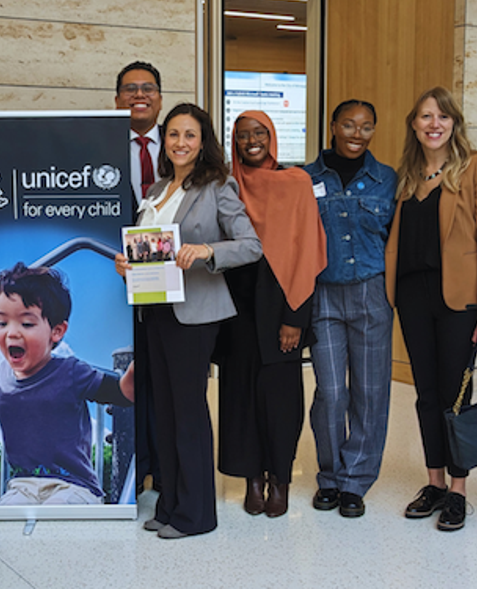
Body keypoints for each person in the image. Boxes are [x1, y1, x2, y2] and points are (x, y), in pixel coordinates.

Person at [114, 103, 261, 538]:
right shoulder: (158, 188)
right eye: (174, 134)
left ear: (203, 142)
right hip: (153, 309)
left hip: (194, 314)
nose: (181, 142)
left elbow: (251, 245)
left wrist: (207, 252)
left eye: (190, 135)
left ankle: (196, 515)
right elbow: (149, 248)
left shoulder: (217, 185)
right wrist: (128, 263)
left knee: (188, 412)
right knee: (164, 411)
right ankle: (170, 506)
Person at [386, 86, 477, 532]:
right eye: (424, 117)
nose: (433, 124)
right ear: (414, 125)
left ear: (454, 123)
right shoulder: (408, 175)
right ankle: (433, 482)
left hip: (461, 301)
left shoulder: (476, 167)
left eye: (442, 117)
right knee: (427, 394)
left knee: (456, 396)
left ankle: (458, 490)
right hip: (413, 298)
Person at [0, 263, 134, 505]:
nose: (12, 333)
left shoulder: (71, 372)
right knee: (2, 520)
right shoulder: (5, 377)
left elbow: (121, 392)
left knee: (55, 519)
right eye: (1, 323)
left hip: (74, 486)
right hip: (22, 487)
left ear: (57, 331)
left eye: (26, 324)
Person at [217, 111, 327, 518]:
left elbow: (307, 253)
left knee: (280, 400)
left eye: (259, 133)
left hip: (283, 305)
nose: (251, 141)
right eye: (243, 135)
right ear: (234, 142)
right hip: (236, 310)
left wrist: (295, 318)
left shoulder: (296, 182)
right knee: (240, 397)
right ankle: (251, 479)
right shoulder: (225, 185)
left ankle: (279, 478)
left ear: (272, 136)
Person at [304, 99, 397, 518]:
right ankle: (329, 474)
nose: (357, 134)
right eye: (348, 125)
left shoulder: (387, 180)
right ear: (333, 126)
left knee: (371, 392)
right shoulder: (305, 179)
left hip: (371, 295)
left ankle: (355, 480)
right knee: (331, 392)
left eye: (366, 127)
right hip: (323, 294)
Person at [115, 60, 164, 493]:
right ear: (117, 100)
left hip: (171, 283)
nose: (138, 95)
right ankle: (140, 464)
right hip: (119, 278)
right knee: (132, 371)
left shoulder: (182, 145)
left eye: (147, 88)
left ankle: (167, 468)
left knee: (167, 374)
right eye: (130, 89)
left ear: (160, 99)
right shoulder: (101, 146)